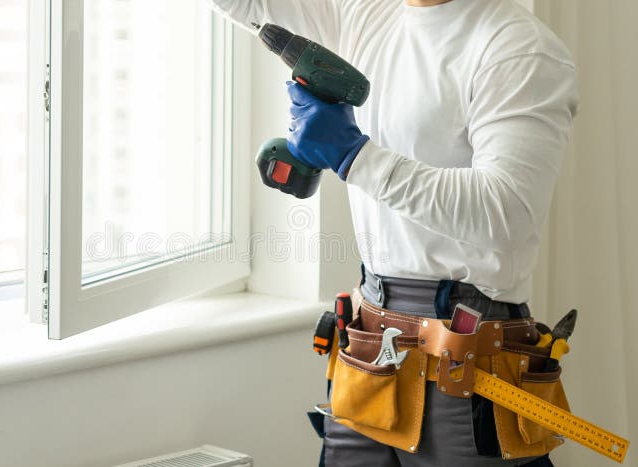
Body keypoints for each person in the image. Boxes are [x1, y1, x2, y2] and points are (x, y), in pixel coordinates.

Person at [208, 0, 578, 465]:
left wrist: (353, 156)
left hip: (464, 356)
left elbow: (506, 211)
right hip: (367, 342)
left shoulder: (519, 48)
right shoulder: (364, 12)